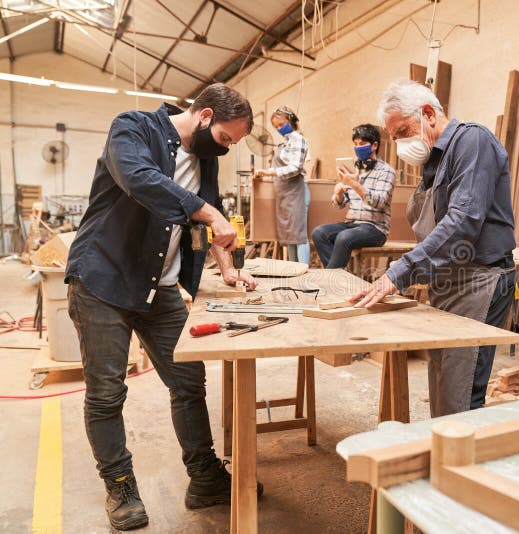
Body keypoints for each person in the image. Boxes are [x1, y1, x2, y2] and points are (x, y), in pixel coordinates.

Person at [65, 83, 262, 531]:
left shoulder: (207, 159)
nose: (227, 150)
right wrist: (208, 213)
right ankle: (120, 486)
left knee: (188, 381)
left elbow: (206, 215)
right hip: (103, 280)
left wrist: (226, 268)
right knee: (107, 393)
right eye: (227, 139)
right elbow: (139, 180)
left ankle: (204, 476)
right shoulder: (133, 128)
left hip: (161, 286)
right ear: (206, 116)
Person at [350, 80, 516, 417]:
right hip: (449, 281)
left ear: (428, 114)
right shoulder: (433, 162)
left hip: (479, 279)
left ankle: (461, 464)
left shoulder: (472, 141)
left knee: (461, 390)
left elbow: (463, 220)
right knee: (442, 381)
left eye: (402, 131)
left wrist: (401, 271)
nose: (400, 144)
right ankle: (443, 455)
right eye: (394, 137)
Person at [311, 124, 396, 269]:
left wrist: (355, 184)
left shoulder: (386, 171)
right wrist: (338, 193)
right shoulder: (356, 169)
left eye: (362, 144)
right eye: (355, 144)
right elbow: (340, 204)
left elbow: (379, 202)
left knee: (343, 238)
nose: (358, 148)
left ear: (374, 145)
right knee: (319, 233)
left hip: (375, 229)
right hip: (352, 224)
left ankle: (330, 280)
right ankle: (337, 278)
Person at [254, 106, 310, 263]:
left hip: (296, 191)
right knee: (290, 236)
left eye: (281, 124)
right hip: (285, 193)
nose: (279, 129)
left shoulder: (299, 140)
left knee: (299, 236)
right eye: (276, 127)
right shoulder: (285, 143)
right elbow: (281, 167)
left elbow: (295, 168)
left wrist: (270, 172)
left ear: (291, 121)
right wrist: (265, 171)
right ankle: (293, 270)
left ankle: (304, 270)